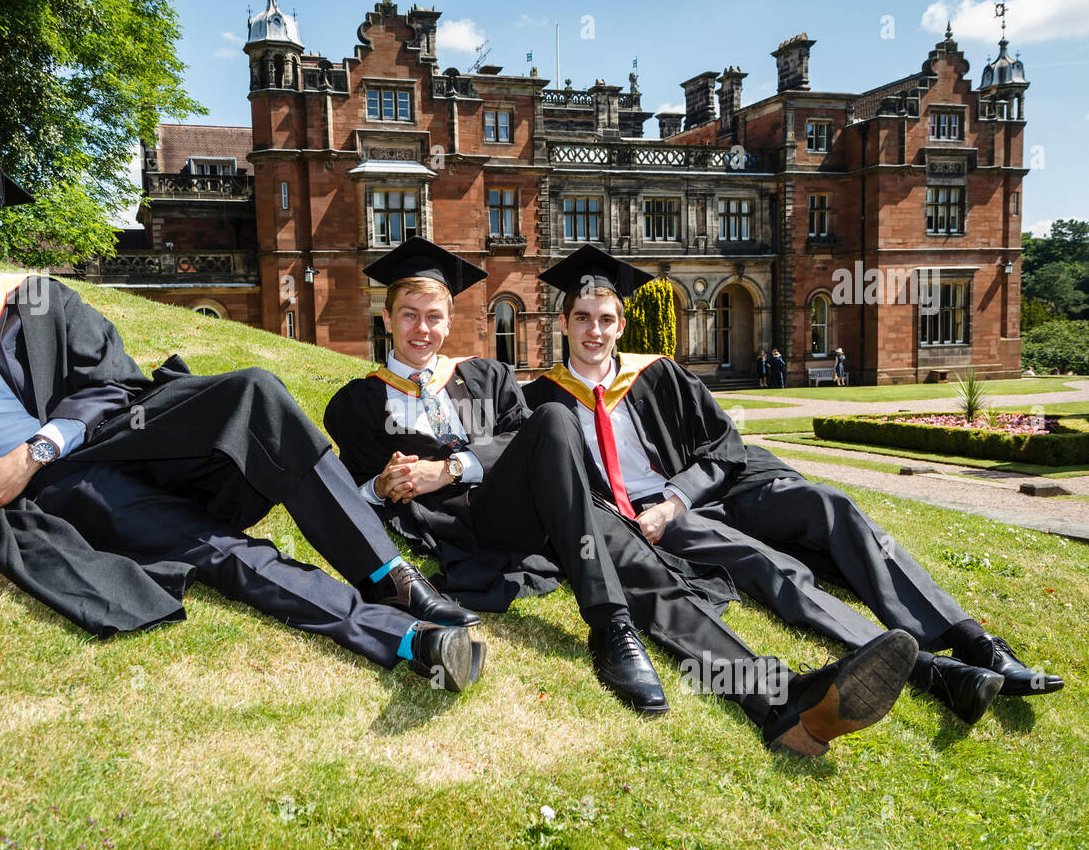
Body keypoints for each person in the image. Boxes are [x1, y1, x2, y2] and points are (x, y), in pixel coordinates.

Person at [0, 150, 484, 692]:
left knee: (254, 390)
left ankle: (392, 579)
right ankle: (411, 642)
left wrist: (29, 453)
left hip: (89, 446)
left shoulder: (36, 300)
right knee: (220, 553)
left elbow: (110, 387)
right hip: (66, 492)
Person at [326, 239, 919, 757]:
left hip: (523, 508)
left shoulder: (487, 377)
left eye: (434, 316)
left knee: (623, 539)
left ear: (450, 318)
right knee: (593, 500)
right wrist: (381, 485)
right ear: (386, 317)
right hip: (462, 534)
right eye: (410, 315)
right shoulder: (354, 403)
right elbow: (351, 496)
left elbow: (513, 441)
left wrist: (449, 466)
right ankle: (612, 628)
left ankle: (779, 701)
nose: (423, 330)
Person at [522, 245, 1064, 727]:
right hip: (649, 520)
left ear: (621, 323)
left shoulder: (659, 373)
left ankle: (975, 641)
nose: (594, 331)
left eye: (606, 319)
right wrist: (661, 514)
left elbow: (724, 445)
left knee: (831, 504)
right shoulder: (541, 398)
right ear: (564, 323)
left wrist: (680, 496)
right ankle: (933, 673)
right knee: (771, 566)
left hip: (705, 491)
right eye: (583, 318)